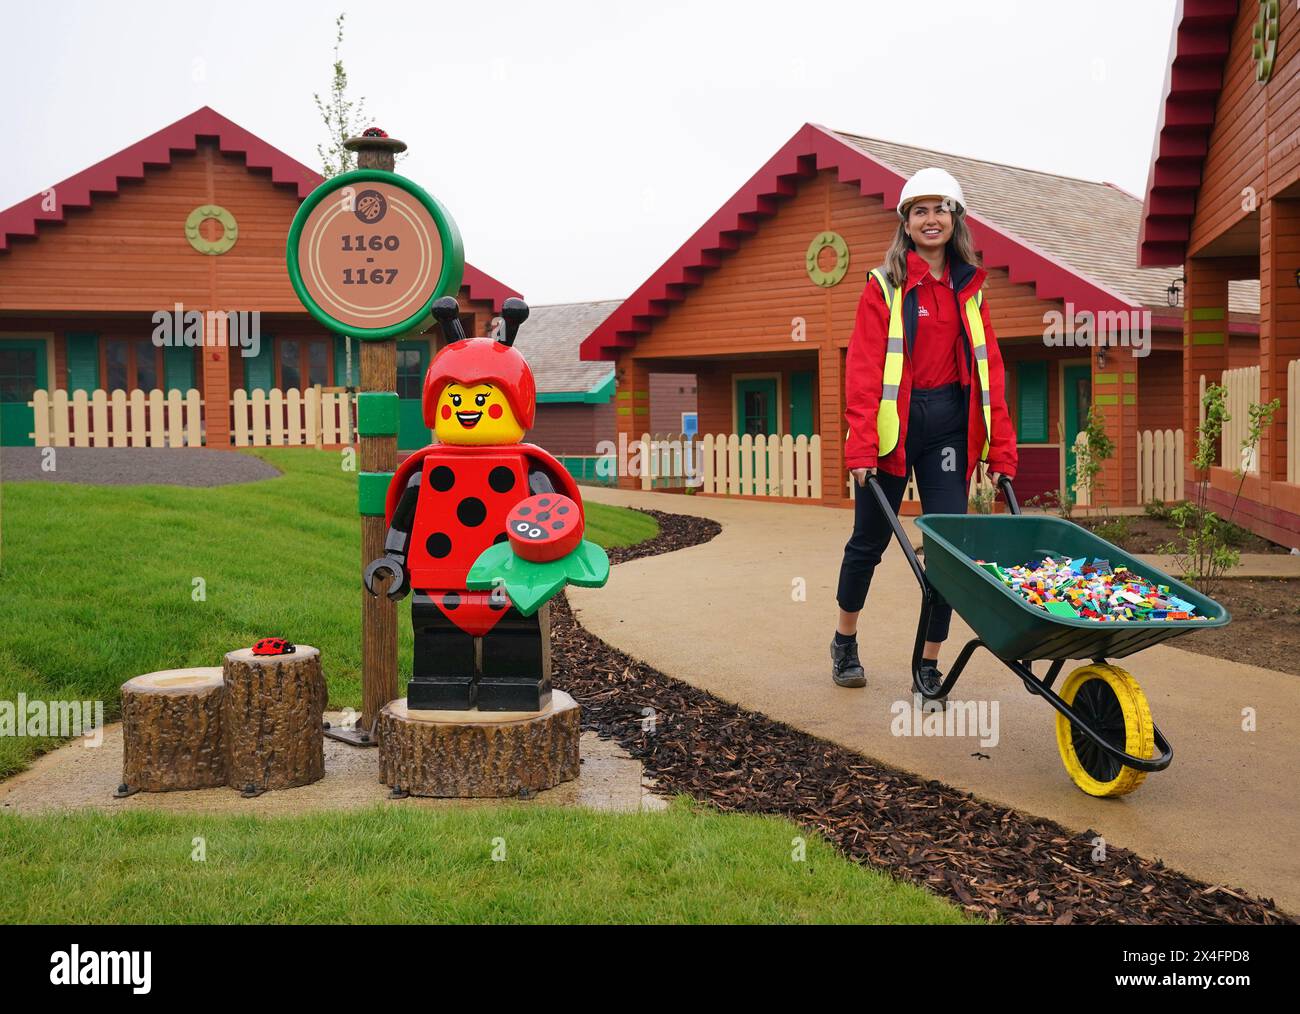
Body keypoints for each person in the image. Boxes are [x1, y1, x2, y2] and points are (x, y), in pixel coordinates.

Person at [831, 167, 1017, 694]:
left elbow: (990, 371)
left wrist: (1001, 449)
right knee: (868, 542)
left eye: (940, 209)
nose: (930, 219)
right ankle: (845, 642)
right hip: (892, 431)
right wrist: (862, 443)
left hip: (948, 432)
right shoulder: (885, 286)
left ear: (954, 218)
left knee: (948, 548)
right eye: (920, 211)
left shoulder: (971, 289)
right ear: (906, 223)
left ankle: (927, 663)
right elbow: (864, 369)